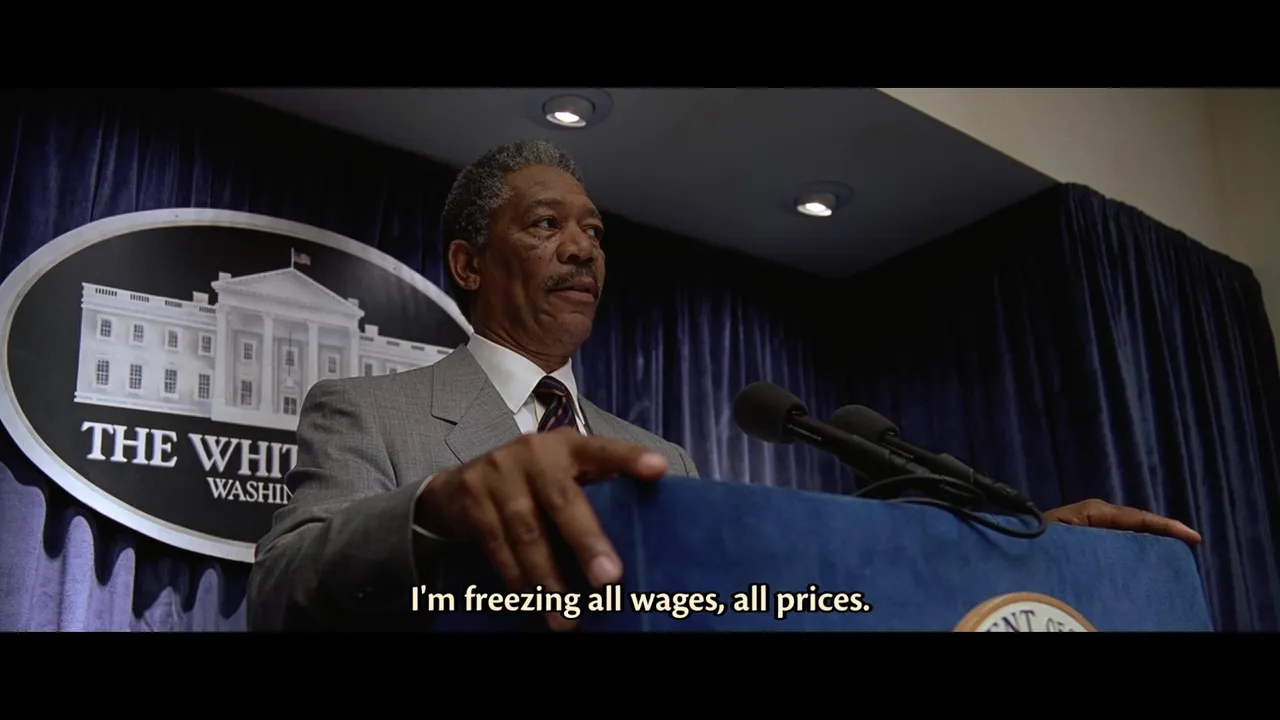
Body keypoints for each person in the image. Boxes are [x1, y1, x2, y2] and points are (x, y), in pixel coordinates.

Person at [246, 139, 1201, 632]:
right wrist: (438, 505)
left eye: (594, 233)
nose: (583, 249)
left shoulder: (658, 455)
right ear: (467, 263)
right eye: (545, 226)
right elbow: (281, 594)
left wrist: (1019, 550)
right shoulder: (368, 412)